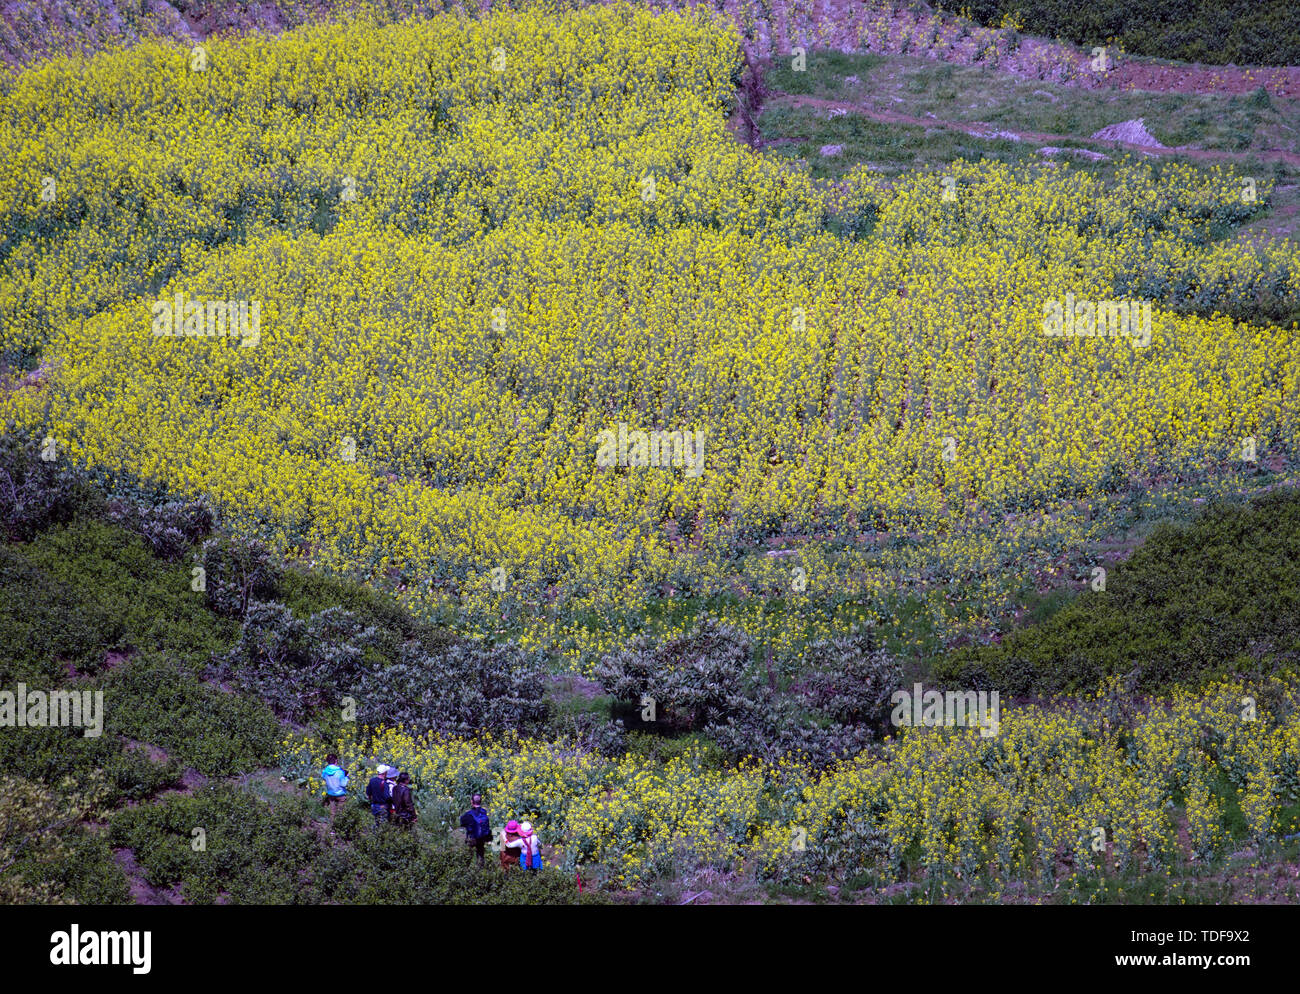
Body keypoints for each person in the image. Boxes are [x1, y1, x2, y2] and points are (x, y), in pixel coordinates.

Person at [459, 794, 491, 865]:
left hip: (472, 838)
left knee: (468, 855)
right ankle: (481, 869)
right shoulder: (484, 812)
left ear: (471, 802)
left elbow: (462, 823)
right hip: (482, 838)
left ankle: (466, 868)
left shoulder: (469, 813)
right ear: (480, 802)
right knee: (480, 855)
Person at [320, 753, 349, 827]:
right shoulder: (340, 771)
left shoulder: (325, 771)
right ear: (336, 761)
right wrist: (347, 777)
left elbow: (323, 777)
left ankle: (332, 829)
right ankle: (340, 828)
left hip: (331, 794)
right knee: (341, 812)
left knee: (332, 812)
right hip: (340, 794)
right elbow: (343, 784)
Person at [366, 764, 394, 832]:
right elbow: (387, 797)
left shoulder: (372, 780)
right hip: (383, 806)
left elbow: (368, 793)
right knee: (383, 826)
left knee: (376, 823)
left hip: (374, 805)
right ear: (384, 773)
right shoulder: (385, 783)